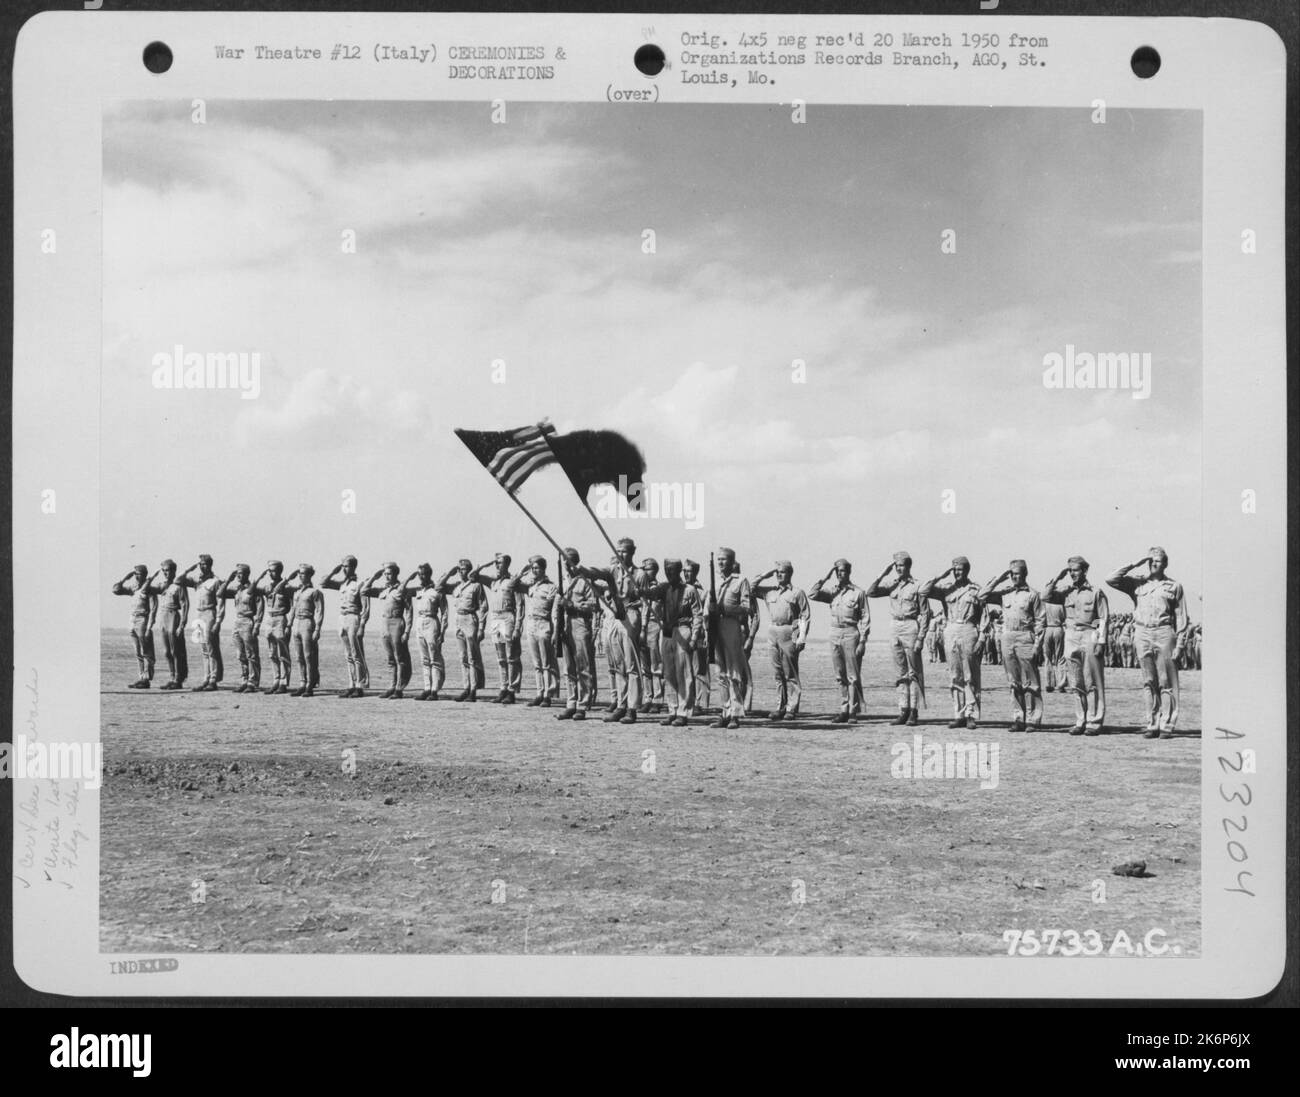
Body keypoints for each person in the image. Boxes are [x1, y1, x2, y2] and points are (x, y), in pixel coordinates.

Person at [1106, 549, 1189, 737]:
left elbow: (1181, 616)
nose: (1153, 564)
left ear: (1165, 564)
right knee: (1149, 681)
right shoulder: (1137, 584)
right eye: (1150, 560)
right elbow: (1111, 579)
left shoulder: (1174, 586)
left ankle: (1166, 724)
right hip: (1142, 632)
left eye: (1158, 561)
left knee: (1166, 680)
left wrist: (1181, 644)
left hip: (1163, 631)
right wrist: (1135, 562)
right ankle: (1152, 723)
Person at [570, 537, 647, 725]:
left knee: (631, 665)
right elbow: (598, 572)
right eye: (618, 551)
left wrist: (643, 626)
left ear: (633, 552)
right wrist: (582, 570)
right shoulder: (613, 570)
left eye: (625, 551)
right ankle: (621, 705)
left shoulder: (639, 574)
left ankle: (632, 708)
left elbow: (646, 602)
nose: (621, 554)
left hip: (630, 614)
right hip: (613, 616)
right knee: (618, 665)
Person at [980, 561, 1047, 732]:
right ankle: (1018, 717)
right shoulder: (1005, 594)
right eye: (1011, 574)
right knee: (1013, 681)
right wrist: (1000, 579)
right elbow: (982, 595)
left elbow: (1041, 621)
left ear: (1025, 574)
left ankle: (1033, 719)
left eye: (1017, 574)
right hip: (1007, 637)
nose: (1014, 577)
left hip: (1025, 636)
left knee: (1030, 681)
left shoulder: (1033, 595)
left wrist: (1037, 645)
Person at [1045, 556, 1109, 735]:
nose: (1073, 574)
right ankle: (1080, 720)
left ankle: (1094, 721)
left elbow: (1102, 618)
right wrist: (1058, 577)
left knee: (1091, 681)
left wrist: (1100, 641)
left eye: (1076, 570)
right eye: (1070, 570)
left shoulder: (1095, 592)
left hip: (1090, 634)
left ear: (1085, 571)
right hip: (1070, 636)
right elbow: (1046, 596)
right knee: (1076, 682)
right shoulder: (1066, 592)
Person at [920, 556, 985, 729]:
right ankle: (959, 714)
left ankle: (971, 714)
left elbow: (984, 615)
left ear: (967, 570)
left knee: (970, 675)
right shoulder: (946, 589)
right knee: (955, 676)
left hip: (969, 630)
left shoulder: (975, 589)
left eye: (960, 569)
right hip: (950, 631)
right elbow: (923, 591)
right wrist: (941, 575)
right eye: (955, 569)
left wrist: (982, 637)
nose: (957, 572)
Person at [866, 551, 930, 726]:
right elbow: (870, 592)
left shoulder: (917, 586)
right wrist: (883, 573)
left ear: (909, 566)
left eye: (902, 565)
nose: (899, 569)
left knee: (913, 673)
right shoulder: (891, 585)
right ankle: (903, 709)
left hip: (910, 626)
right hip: (895, 626)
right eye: (897, 566)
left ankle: (913, 711)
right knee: (900, 673)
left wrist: (921, 638)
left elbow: (925, 614)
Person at [639, 558, 705, 726]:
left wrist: (695, 637)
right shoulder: (664, 588)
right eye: (667, 571)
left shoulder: (690, 590)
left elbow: (697, 615)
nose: (670, 574)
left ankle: (683, 712)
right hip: (667, 633)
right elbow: (650, 593)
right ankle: (672, 709)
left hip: (683, 630)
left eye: (673, 571)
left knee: (683, 673)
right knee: (668, 673)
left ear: (679, 571)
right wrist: (641, 591)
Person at [810, 559, 871, 723]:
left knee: (853, 675)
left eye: (842, 571)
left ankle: (853, 711)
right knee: (840, 675)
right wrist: (825, 577)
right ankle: (843, 709)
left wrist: (863, 640)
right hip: (834, 632)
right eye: (837, 572)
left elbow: (865, 617)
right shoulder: (832, 592)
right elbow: (813, 594)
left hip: (851, 632)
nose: (839, 574)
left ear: (849, 572)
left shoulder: (858, 592)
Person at [749, 561, 812, 720]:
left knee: (790, 672)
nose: (779, 575)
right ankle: (780, 706)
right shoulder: (769, 592)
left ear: (790, 573)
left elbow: (804, 615)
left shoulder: (797, 593)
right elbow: (750, 588)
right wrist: (767, 573)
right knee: (777, 673)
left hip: (789, 630)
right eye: (777, 572)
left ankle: (792, 708)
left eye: (782, 572)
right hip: (773, 631)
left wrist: (801, 637)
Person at [706, 547, 752, 729]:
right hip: (715, 626)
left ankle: (736, 713)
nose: (721, 563)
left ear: (732, 562)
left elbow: (746, 607)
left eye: (724, 560)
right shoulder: (715, 582)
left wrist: (725, 610)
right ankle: (724, 712)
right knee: (720, 673)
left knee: (734, 673)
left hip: (731, 626)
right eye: (719, 560)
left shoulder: (741, 581)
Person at [473, 554, 525, 705]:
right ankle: (503, 688)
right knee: (501, 658)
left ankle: (512, 690)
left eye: (499, 563)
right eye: (495, 564)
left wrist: (517, 627)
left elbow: (520, 605)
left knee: (511, 656)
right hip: (495, 618)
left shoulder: (513, 581)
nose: (497, 566)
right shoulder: (493, 582)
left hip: (508, 617)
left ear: (507, 564)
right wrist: (487, 563)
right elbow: (473, 575)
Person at [556, 547, 599, 720]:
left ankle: (583, 704)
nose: (567, 564)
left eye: (570, 560)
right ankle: (571, 702)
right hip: (565, 623)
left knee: (583, 666)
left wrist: (572, 605)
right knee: (569, 668)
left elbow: (594, 605)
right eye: (565, 561)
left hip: (580, 623)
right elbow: (557, 605)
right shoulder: (563, 581)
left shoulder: (585, 581)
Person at [438, 559, 488, 702]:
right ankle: (466, 688)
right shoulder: (457, 586)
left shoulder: (476, 586)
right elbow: (438, 587)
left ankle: (473, 690)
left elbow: (483, 606)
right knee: (463, 657)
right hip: (458, 620)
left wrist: (481, 628)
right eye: (459, 569)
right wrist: (449, 573)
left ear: (470, 570)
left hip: (470, 619)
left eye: (464, 569)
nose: (461, 572)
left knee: (472, 658)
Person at [322, 555, 370, 698]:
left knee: (357, 654)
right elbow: (324, 583)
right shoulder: (343, 584)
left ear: (354, 567)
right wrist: (333, 571)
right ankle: (351, 684)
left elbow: (365, 608)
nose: (344, 569)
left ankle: (360, 686)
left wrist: (362, 625)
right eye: (342, 566)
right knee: (348, 654)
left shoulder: (360, 584)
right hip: (342, 618)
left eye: (347, 566)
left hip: (353, 618)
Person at [274, 564, 324, 697]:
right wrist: (287, 578)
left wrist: (317, 629)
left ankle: (310, 685)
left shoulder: (314, 592)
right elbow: (278, 590)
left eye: (303, 574)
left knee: (309, 656)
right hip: (296, 623)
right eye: (299, 574)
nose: (300, 576)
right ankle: (302, 683)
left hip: (307, 622)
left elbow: (319, 611)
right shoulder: (296, 591)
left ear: (309, 575)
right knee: (298, 657)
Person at [364, 562, 412, 699]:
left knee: (400, 657)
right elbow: (364, 591)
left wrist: (407, 631)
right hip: (384, 624)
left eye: (389, 573)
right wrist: (374, 577)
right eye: (385, 574)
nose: (386, 576)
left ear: (396, 573)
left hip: (397, 622)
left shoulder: (402, 589)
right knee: (390, 658)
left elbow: (409, 611)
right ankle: (391, 686)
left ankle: (399, 688)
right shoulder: (383, 590)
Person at [179, 555, 225, 691]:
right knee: (204, 649)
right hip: (198, 615)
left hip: (209, 613)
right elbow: (178, 580)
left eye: (204, 564)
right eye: (200, 564)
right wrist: (189, 568)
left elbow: (221, 604)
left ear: (210, 565)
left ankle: (213, 680)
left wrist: (218, 622)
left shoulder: (215, 581)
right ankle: (206, 678)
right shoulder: (197, 581)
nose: (202, 566)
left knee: (211, 648)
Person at [520, 555, 561, 705]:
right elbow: (513, 584)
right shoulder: (530, 586)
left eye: (537, 568)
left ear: (544, 569)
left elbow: (555, 613)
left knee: (546, 663)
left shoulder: (551, 587)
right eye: (532, 568)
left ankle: (547, 695)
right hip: (531, 624)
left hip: (544, 624)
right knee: (536, 663)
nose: (534, 571)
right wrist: (522, 571)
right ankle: (539, 692)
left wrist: (555, 632)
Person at [404, 563, 448, 700]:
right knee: (424, 659)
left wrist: (442, 631)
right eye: (419, 574)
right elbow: (402, 591)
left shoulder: (437, 591)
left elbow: (445, 612)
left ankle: (435, 690)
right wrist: (409, 578)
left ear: (429, 575)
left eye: (423, 574)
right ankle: (427, 688)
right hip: (420, 622)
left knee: (434, 658)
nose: (421, 577)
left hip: (432, 622)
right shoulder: (419, 591)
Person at [220, 564, 263, 693]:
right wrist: (228, 580)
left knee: (251, 653)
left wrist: (257, 624)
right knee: (240, 654)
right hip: (237, 622)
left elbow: (260, 607)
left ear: (247, 574)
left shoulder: (254, 589)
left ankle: (253, 681)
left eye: (241, 573)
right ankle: (244, 679)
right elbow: (219, 593)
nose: (239, 576)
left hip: (248, 621)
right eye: (237, 573)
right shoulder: (237, 589)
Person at [112, 565, 157, 688]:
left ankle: (146, 679)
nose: (137, 576)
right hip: (132, 620)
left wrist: (149, 628)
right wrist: (125, 578)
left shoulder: (150, 590)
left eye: (140, 574)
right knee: (138, 652)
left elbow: (153, 610)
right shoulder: (134, 589)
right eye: (136, 574)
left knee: (146, 651)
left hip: (143, 620)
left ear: (145, 575)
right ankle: (141, 677)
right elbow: (116, 590)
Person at [147, 559, 189, 690]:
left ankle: (178, 679)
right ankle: (172, 677)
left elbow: (185, 605)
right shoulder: (162, 585)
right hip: (163, 617)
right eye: (164, 571)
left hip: (173, 616)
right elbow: (146, 589)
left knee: (176, 650)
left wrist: (182, 625)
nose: (166, 573)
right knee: (166, 652)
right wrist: (151, 578)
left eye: (168, 570)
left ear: (174, 571)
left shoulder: (179, 585)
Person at [256, 560, 292, 694]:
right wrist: (260, 577)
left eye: (273, 570)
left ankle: (283, 682)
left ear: (280, 571)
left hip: (280, 618)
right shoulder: (267, 587)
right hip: (269, 619)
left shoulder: (287, 587)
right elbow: (252, 590)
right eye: (269, 570)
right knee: (272, 653)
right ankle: (275, 680)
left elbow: (292, 605)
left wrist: (289, 623)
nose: (271, 573)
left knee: (283, 653)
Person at [682, 559, 712, 715]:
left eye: (690, 571)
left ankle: (702, 703)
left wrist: (706, 635)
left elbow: (704, 616)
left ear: (696, 573)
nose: (687, 574)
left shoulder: (702, 591)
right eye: (684, 571)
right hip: (683, 632)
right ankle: (689, 702)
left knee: (700, 670)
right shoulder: (680, 589)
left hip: (698, 633)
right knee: (686, 670)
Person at [639, 558, 666, 714]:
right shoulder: (642, 588)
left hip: (654, 626)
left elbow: (653, 610)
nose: (644, 572)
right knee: (645, 666)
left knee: (656, 666)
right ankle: (647, 698)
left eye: (646, 569)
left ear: (654, 570)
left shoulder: (658, 588)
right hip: (643, 627)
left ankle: (657, 699)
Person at [1042, 593, 1066, 691]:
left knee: (1047, 658)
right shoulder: (1061, 605)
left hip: (1047, 629)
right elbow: (1064, 618)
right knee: (1060, 658)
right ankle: (1061, 684)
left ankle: (1049, 683)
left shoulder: (1044, 605)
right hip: (1058, 628)